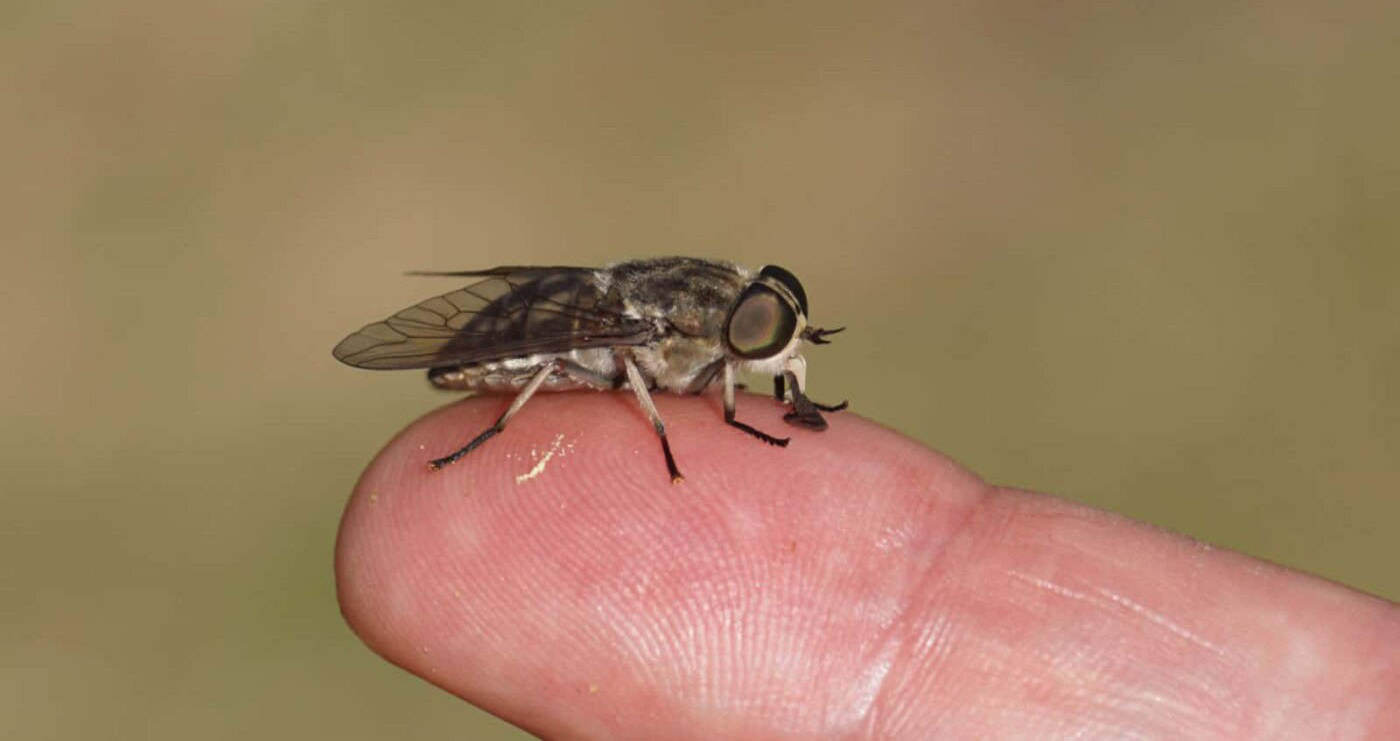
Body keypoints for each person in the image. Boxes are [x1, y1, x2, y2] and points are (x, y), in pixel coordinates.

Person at [336, 394, 1398, 737]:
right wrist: (669, 441)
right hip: (537, 352)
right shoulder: (651, 339)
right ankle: (492, 432)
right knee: (565, 371)